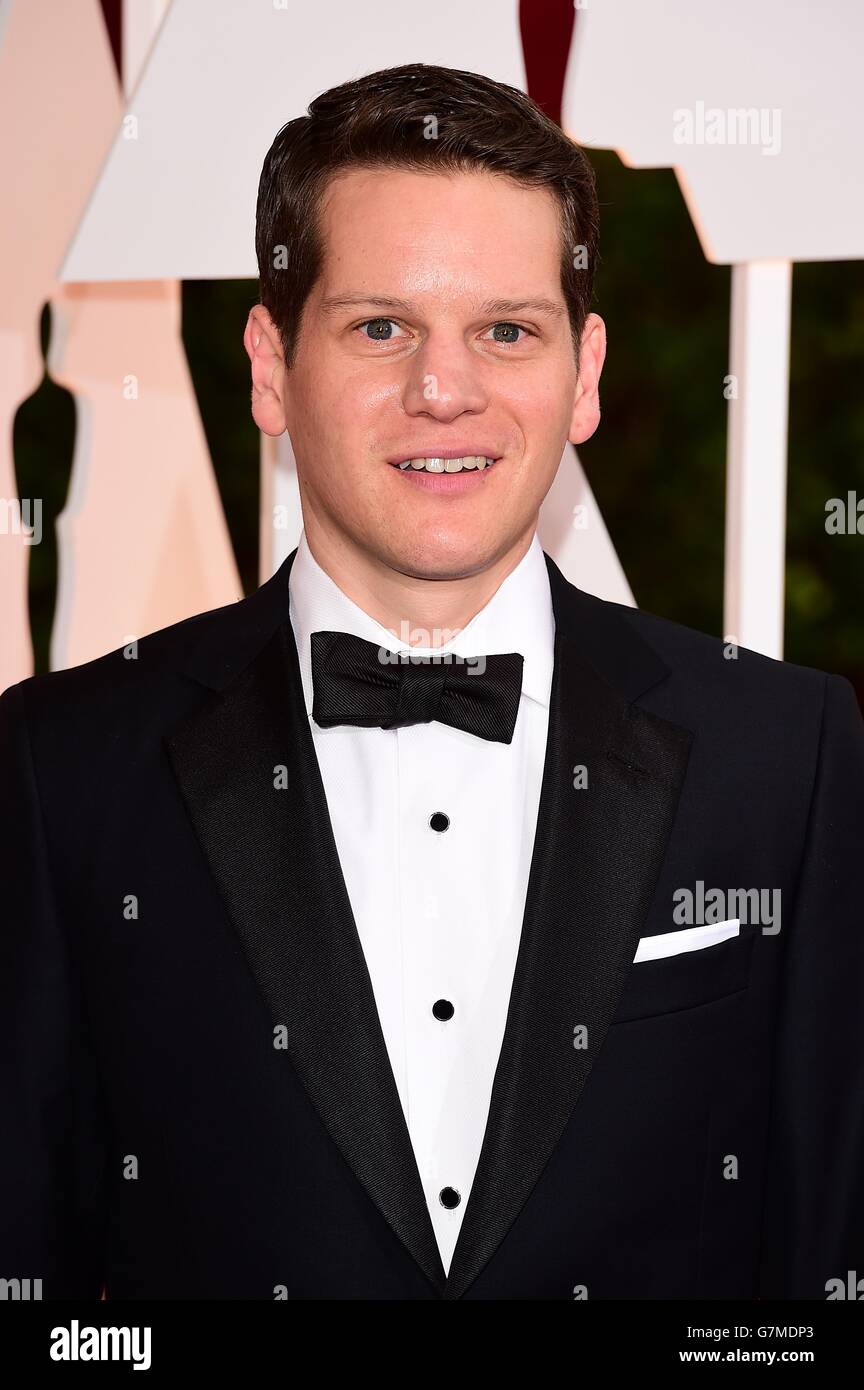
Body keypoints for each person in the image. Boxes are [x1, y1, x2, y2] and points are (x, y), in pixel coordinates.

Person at [2, 63, 862, 1301]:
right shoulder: (60, 766)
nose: (442, 389)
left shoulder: (790, 754)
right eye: (381, 326)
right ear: (269, 364)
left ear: (584, 372)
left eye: (507, 330)